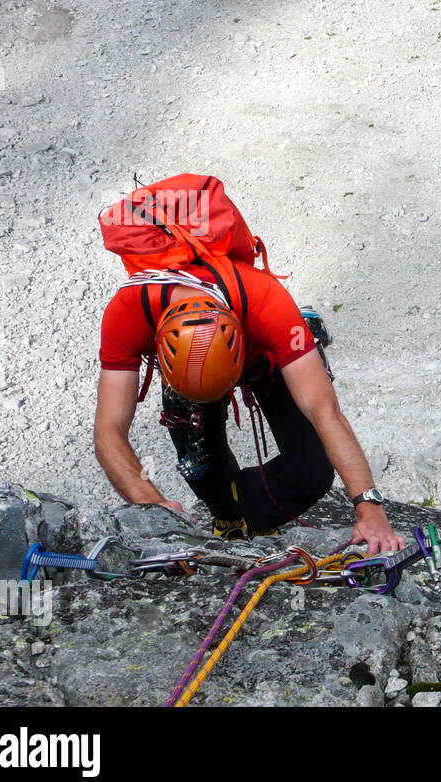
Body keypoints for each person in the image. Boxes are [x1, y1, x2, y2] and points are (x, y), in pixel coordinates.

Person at [93, 178, 402, 554]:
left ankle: (303, 338)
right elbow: (109, 431)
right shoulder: (128, 313)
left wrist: (370, 507)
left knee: (312, 476)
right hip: (189, 371)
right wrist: (152, 505)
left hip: (264, 354)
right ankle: (229, 512)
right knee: (204, 475)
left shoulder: (264, 298)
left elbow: (324, 410)